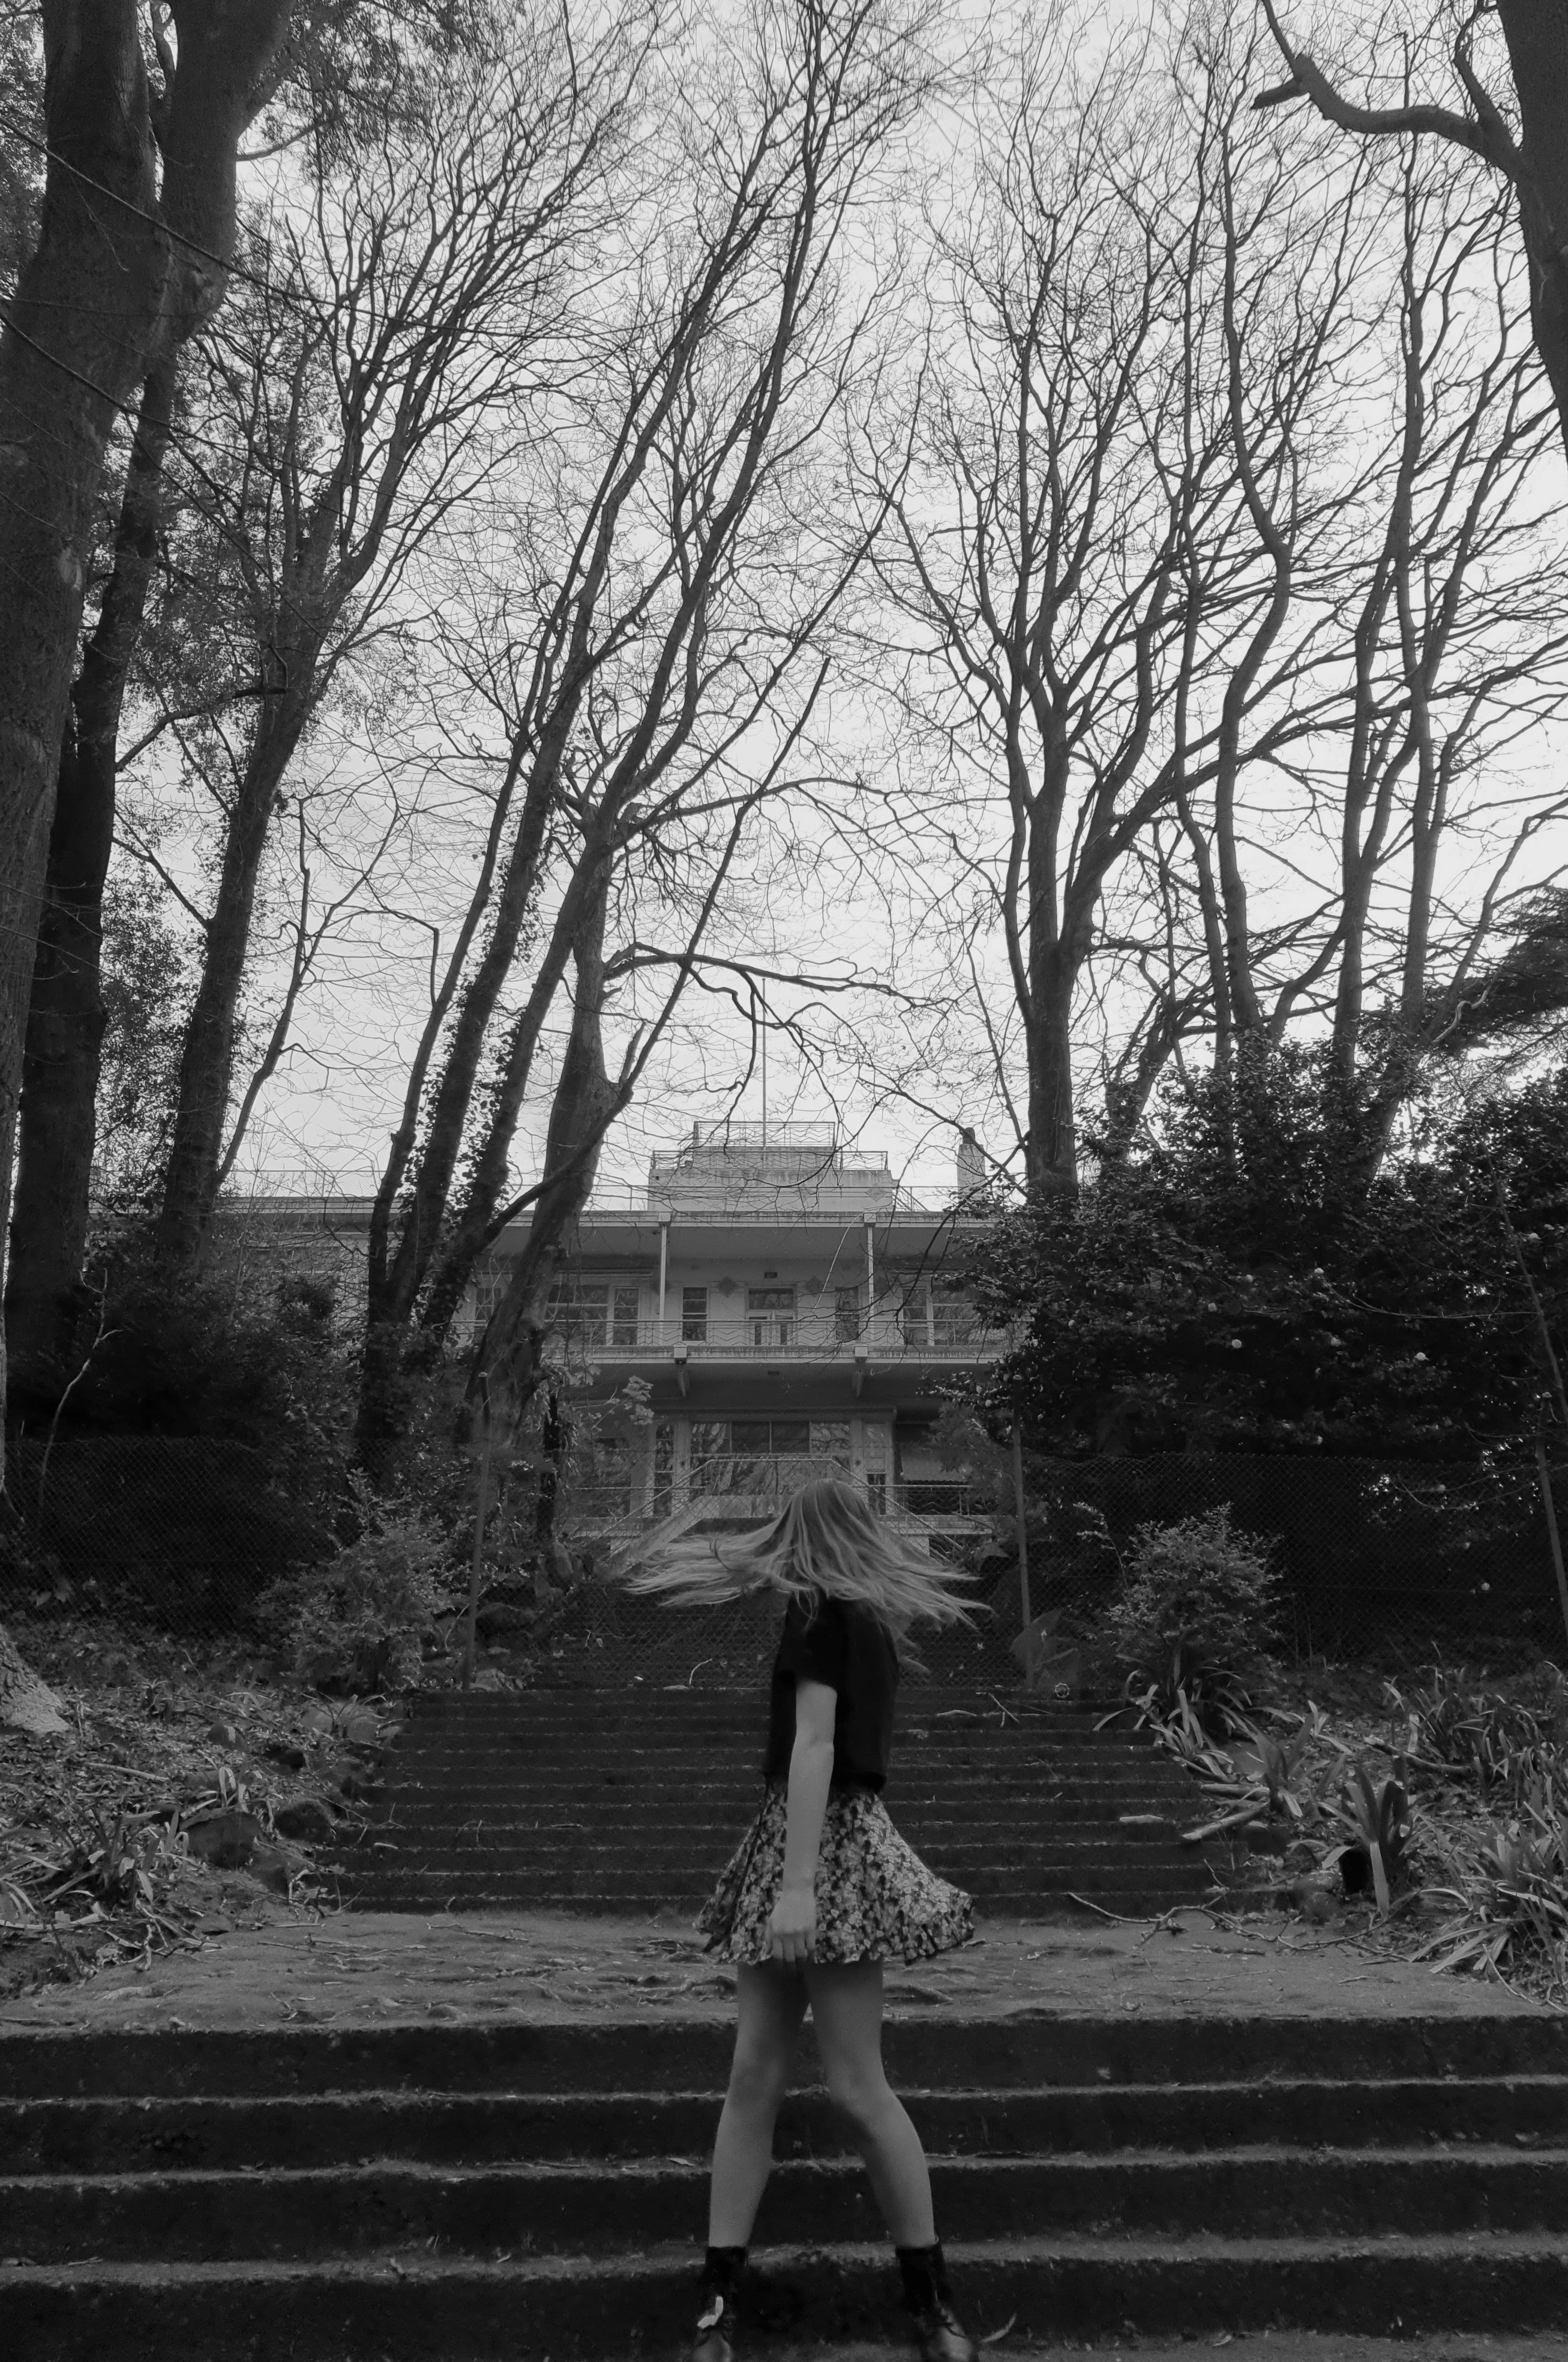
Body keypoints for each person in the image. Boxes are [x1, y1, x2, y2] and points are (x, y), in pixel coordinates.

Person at [632, 1477, 982, 2362]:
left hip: (815, 1843)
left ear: (802, 1534)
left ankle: (915, 2304)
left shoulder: (819, 1613)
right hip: (822, 1839)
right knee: (766, 2076)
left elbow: (816, 1746)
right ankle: (888, 2307)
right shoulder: (864, 1620)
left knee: (838, 2085)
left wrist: (797, 1887)